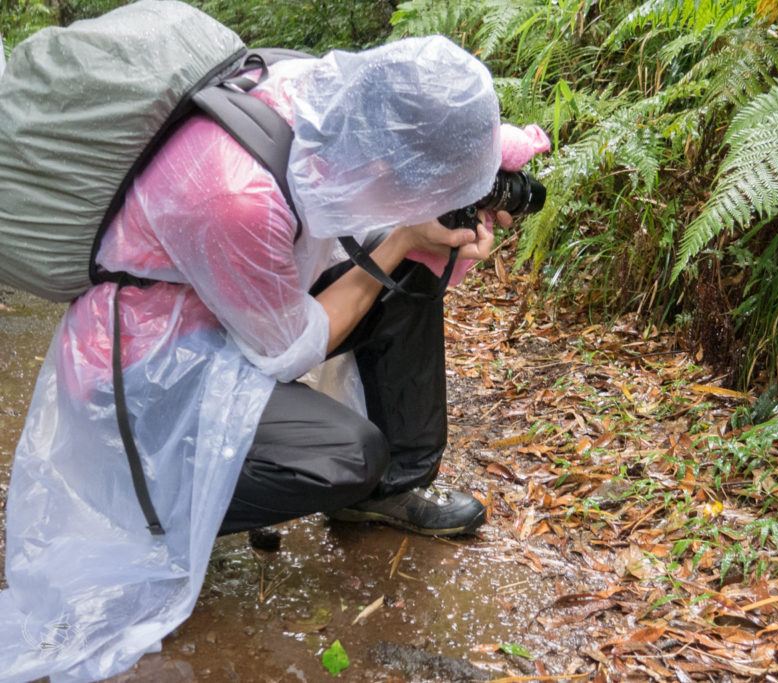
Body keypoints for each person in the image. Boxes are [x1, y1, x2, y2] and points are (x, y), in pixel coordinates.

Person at [0, 36, 507, 681]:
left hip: (230, 306)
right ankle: (167, 503)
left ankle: (389, 492)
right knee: (342, 455)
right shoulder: (235, 193)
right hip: (147, 366)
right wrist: (403, 235)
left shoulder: (321, 92)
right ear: (388, 156)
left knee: (409, 276)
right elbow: (287, 349)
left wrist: (433, 226)